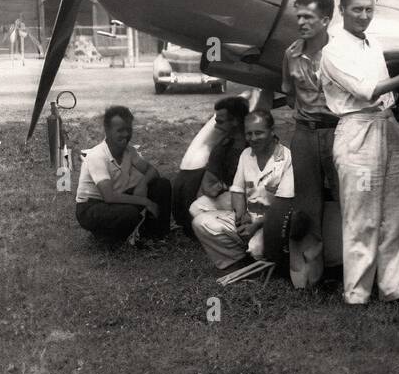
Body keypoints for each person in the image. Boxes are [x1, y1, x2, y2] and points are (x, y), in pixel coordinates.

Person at [319, 0, 399, 306]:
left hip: (387, 126)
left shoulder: (373, 44)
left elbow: (386, 94)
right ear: (342, 11)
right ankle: (357, 294)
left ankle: (395, 289)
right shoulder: (333, 50)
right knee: (362, 217)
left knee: (397, 213)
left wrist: (392, 98)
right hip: (357, 133)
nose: (364, 16)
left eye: (369, 10)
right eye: (357, 10)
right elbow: (368, 90)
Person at [272, 0, 341, 288]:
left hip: (339, 132)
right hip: (304, 133)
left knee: (348, 200)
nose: (300, 22)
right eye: (298, 16)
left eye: (308, 17)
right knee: (306, 205)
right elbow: (289, 95)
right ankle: (307, 279)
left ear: (325, 20)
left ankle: (353, 273)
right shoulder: (291, 54)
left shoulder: (341, 53)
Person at [192, 109, 292, 271]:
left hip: (274, 222)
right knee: (200, 222)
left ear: (272, 131)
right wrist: (241, 217)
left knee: (256, 248)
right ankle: (237, 259)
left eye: (259, 133)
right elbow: (237, 190)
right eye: (249, 134)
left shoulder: (286, 158)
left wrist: (256, 225)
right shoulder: (246, 154)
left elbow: (284, 206)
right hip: (250, 215)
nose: (253, 139)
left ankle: (257, 255)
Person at [75, 105, 172, 244]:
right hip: (91, 207)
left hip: (115, 201)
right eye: (120, 130)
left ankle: (155, 235)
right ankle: (103, 236)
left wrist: (143, 183)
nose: (126, 134)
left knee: (161, 185)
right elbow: (109, 196)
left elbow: (153, 171)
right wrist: (146, 202)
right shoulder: (97, 155)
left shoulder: (129, 151)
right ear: (107, 131)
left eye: (129, 129)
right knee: (129, 213)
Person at [171, 95, 249, 235]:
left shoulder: (254, 143)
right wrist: (217, 188)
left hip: (257, 195)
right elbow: (208, 184)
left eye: (220, 122)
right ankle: (233, 227)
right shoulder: (222, 148)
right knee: (196, 208)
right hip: (233, 196)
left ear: (236, 121)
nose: (216, 126)